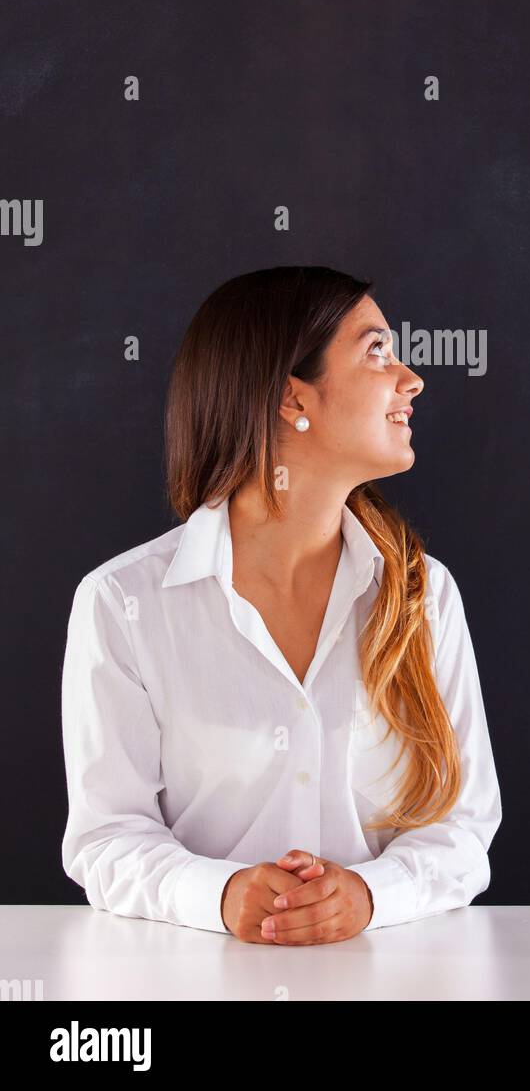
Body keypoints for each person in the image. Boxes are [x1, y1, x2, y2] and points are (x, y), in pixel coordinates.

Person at [60, 265, 502, 944]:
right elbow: (106, 838)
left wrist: (366, 897)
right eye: (376, 350)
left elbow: (463, 828)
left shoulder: (424, 594)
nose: (411, 379)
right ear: (294, 397)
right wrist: (224, 894)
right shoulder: (121, 605)